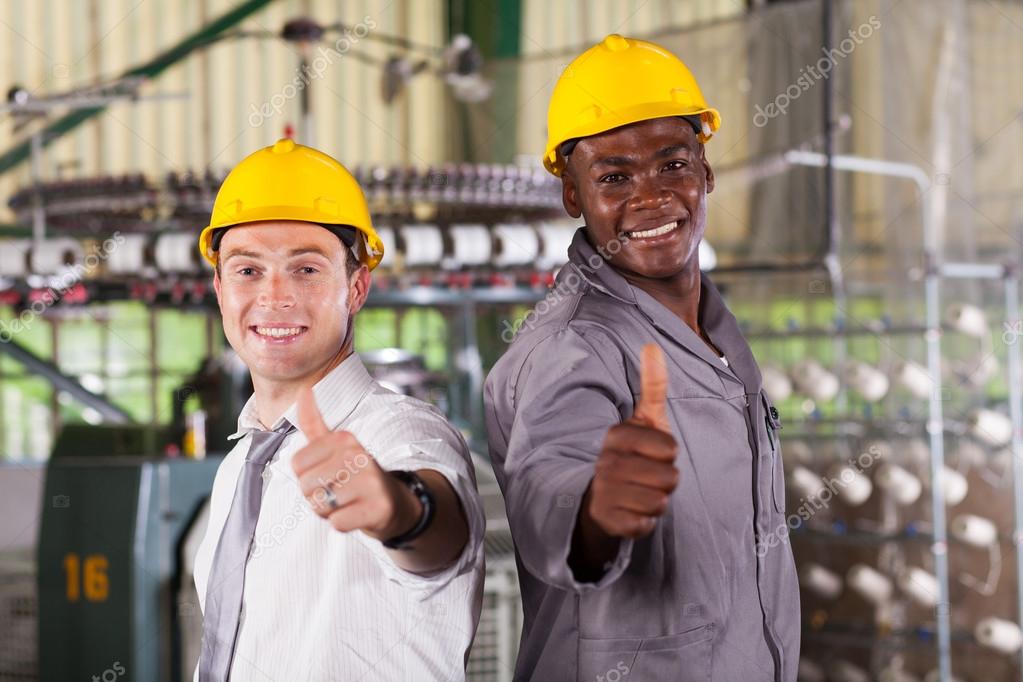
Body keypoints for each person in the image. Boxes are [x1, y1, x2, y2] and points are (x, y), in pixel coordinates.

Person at [484, 35, 799, 681]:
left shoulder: (715, 331)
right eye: (614, 178)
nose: (651, 197)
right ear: (572, 196)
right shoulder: (572, 346)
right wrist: (594, 510)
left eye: (672, 165)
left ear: (705, 172)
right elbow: (551, 482)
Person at [191, 138, 484, 681]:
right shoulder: (240, 465)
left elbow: (439, 530)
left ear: (356, 287)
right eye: (247, 270)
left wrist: (398, 509)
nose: (274, 296)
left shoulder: (400, 433)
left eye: (305, 269)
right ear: (219, 287)